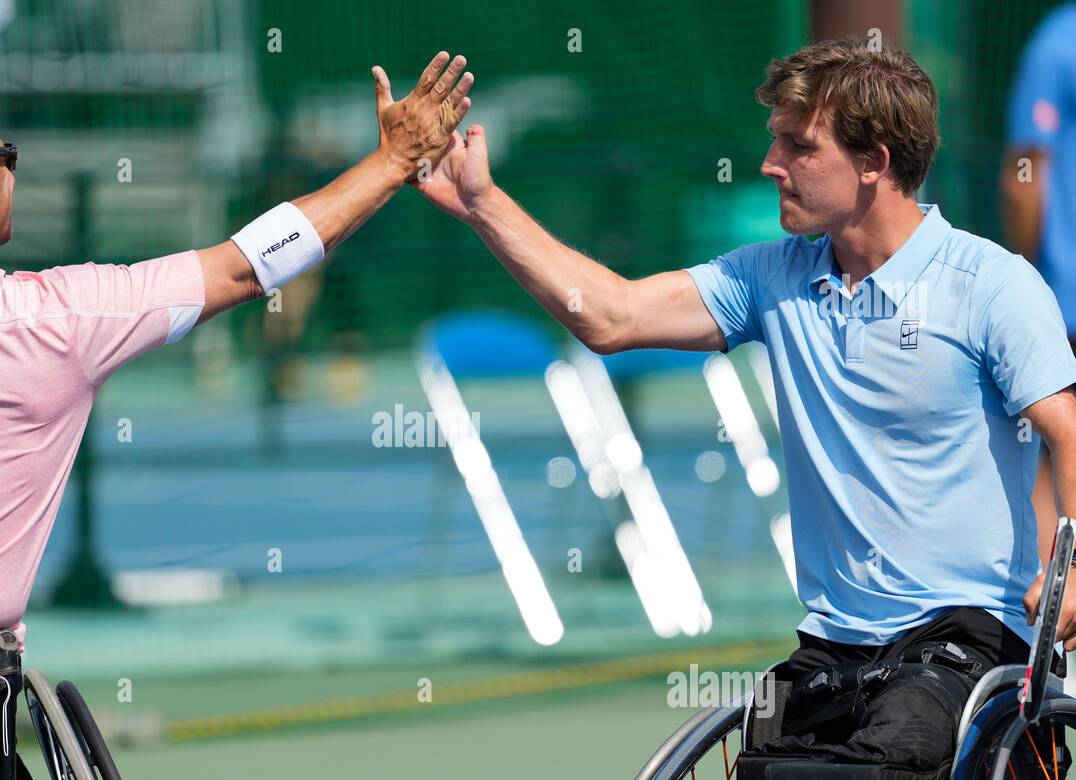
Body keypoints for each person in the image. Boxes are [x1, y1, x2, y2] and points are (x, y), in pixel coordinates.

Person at [0, 53, 473, 780]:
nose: (11, 175)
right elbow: (250, 263)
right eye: (7, 159)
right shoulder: (61, 318)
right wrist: (392, 162)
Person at [414, 38, 1076, 691]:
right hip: (837, 643)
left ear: (873, 162)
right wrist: (483, 202)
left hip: (968, 639)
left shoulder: (992, 283)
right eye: (774, 141)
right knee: (765, 773)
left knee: (893, 760)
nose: (770, 164)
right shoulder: (768, 277)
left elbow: (1067, 430)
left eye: (798, 145)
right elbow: (610, 315)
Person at [1000, 3, 1076, 564]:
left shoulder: (1058, 38)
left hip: (1063, 294)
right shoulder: (1060, 39)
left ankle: (1053, 597)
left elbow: (1024, 169)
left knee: (1046, 459)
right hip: (1067, 299)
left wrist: (1022, 273)